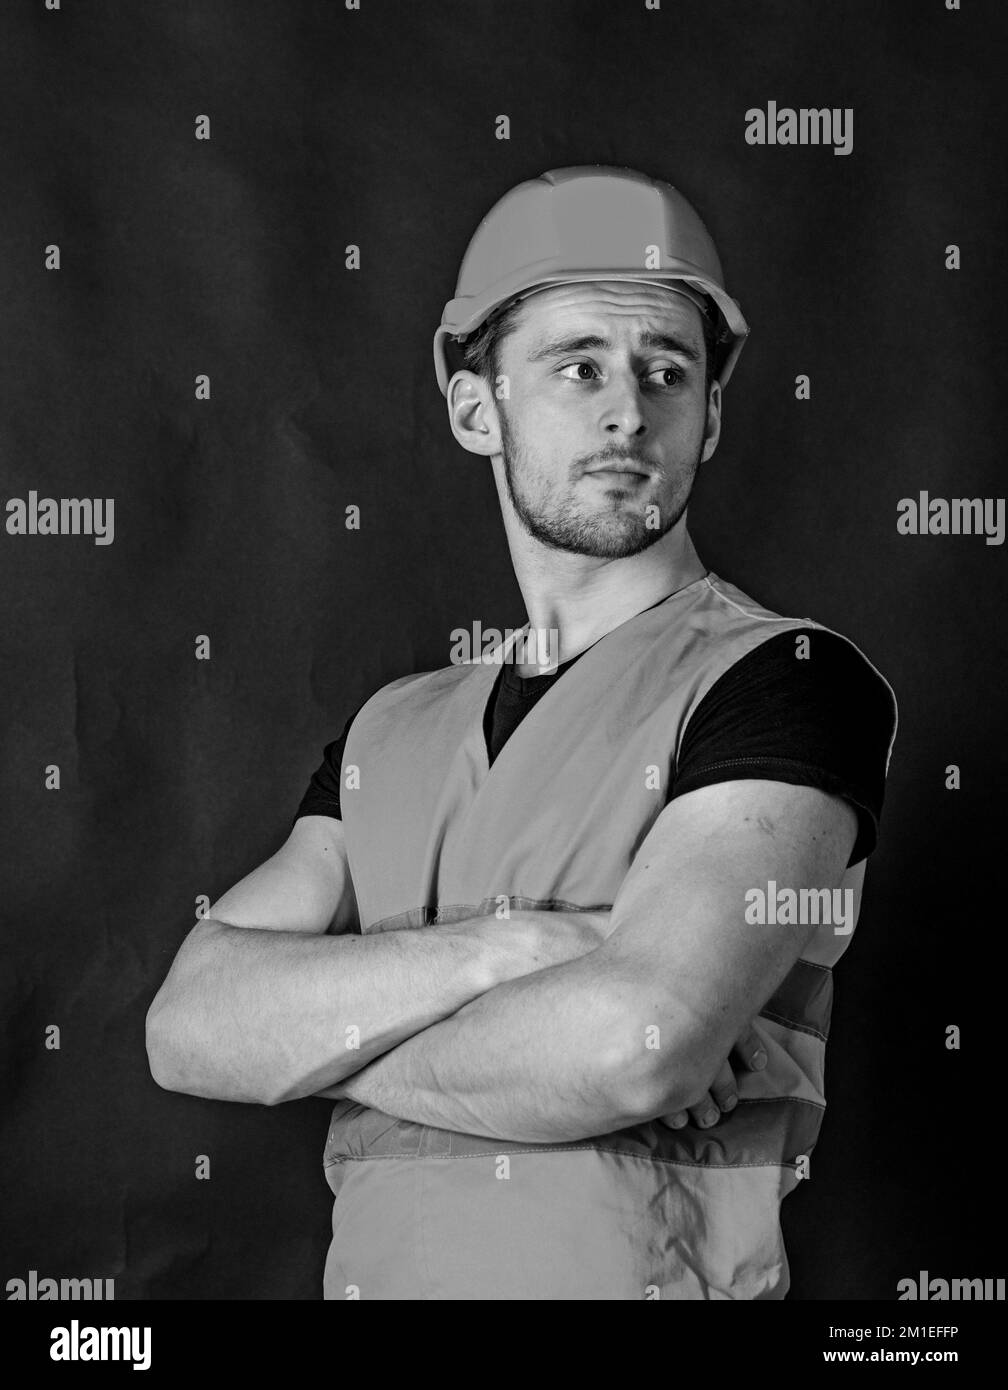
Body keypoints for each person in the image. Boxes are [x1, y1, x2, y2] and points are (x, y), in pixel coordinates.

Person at [147, 166, 898, 1300]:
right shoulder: (390, 730)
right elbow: (190, 1026)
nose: (627, 411)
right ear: (473, 407)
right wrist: (523, 950)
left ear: (713, 413)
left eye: (668, 371)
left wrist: (320, 1055)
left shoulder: (781, 679)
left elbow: (633, 1045)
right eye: (578, 364)